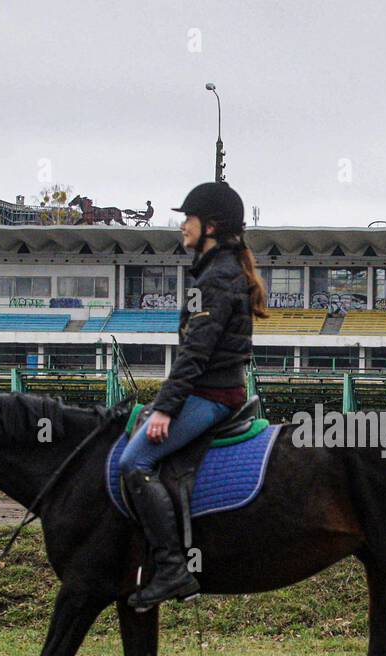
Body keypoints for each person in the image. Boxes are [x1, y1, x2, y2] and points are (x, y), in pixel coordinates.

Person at [118, 181, 266, 608]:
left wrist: (165, 409)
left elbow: (195, 354)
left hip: (213, 395)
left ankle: (172, 569)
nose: (182, 226)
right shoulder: (216, 270)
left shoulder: (218, 277)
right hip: (214, 390)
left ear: (212, 226)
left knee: (135, 460)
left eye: (189, 218)